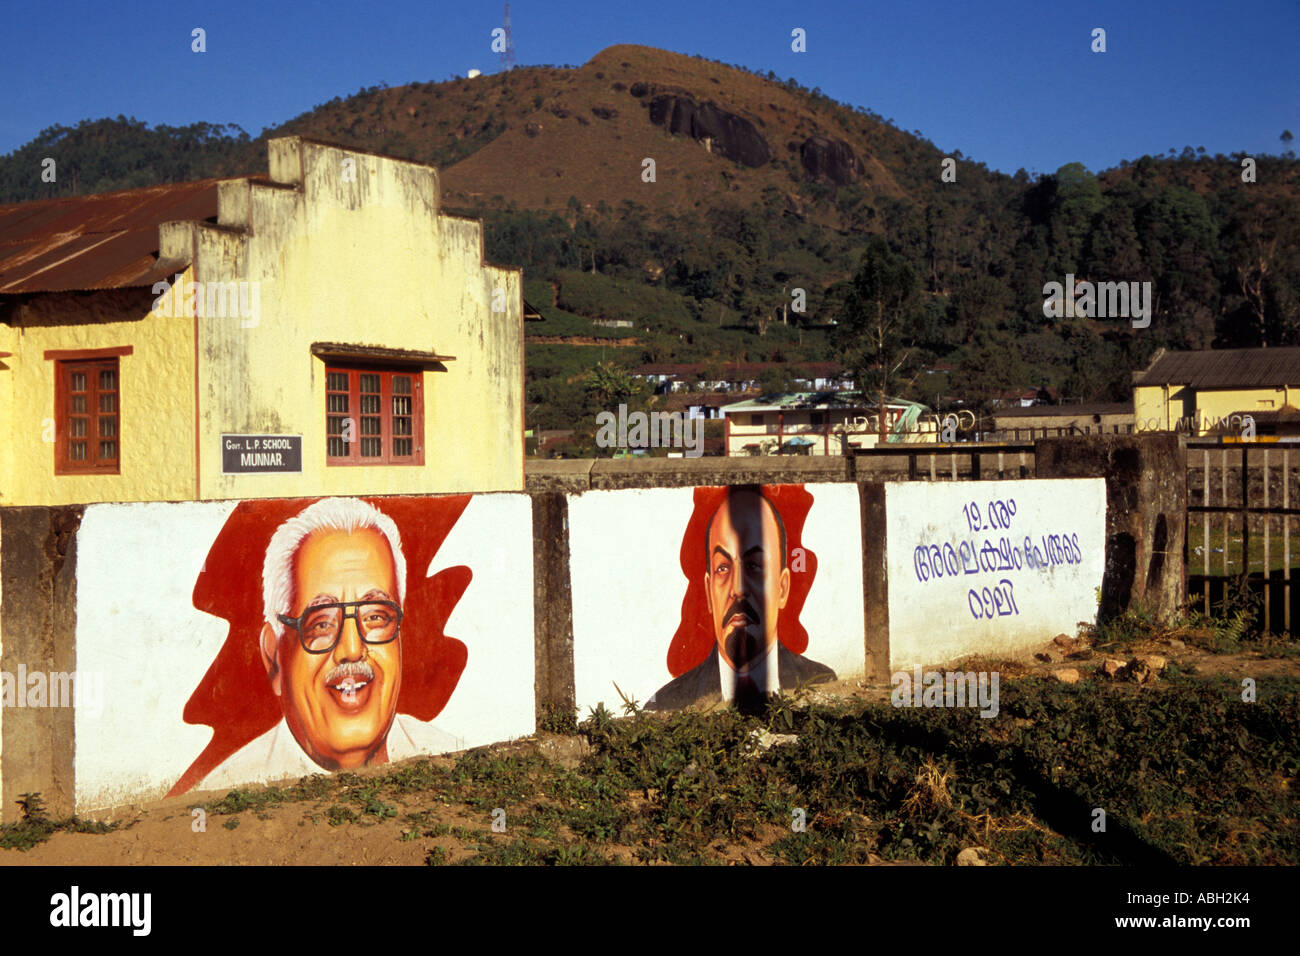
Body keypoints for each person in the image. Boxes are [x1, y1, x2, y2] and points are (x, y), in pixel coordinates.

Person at [200, 498, 458, 789]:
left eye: (375, 617)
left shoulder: (448, 761)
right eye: (321, 623)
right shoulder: (228, 790)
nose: (351, 649)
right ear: (274, 657)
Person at [646, 487, 834, 712]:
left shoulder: (822, 685)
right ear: (708, 592)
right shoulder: (667, 706)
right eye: (723, 568)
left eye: (754, 566)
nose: (737, 588)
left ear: (782, 588)